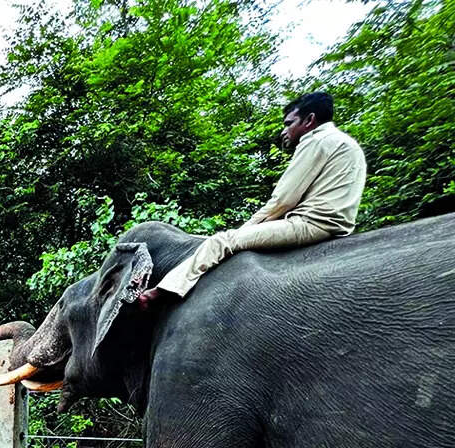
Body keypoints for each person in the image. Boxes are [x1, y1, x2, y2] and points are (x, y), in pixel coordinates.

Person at [141, 92, 367, 303]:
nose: (284, 131)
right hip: (339, 225)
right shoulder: (348, 143)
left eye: (289, 124)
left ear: (309, 120)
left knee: (222, 241)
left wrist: (242, 230)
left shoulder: (316, 140)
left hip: (311, 225)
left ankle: (161, 292)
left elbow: (283, 200)